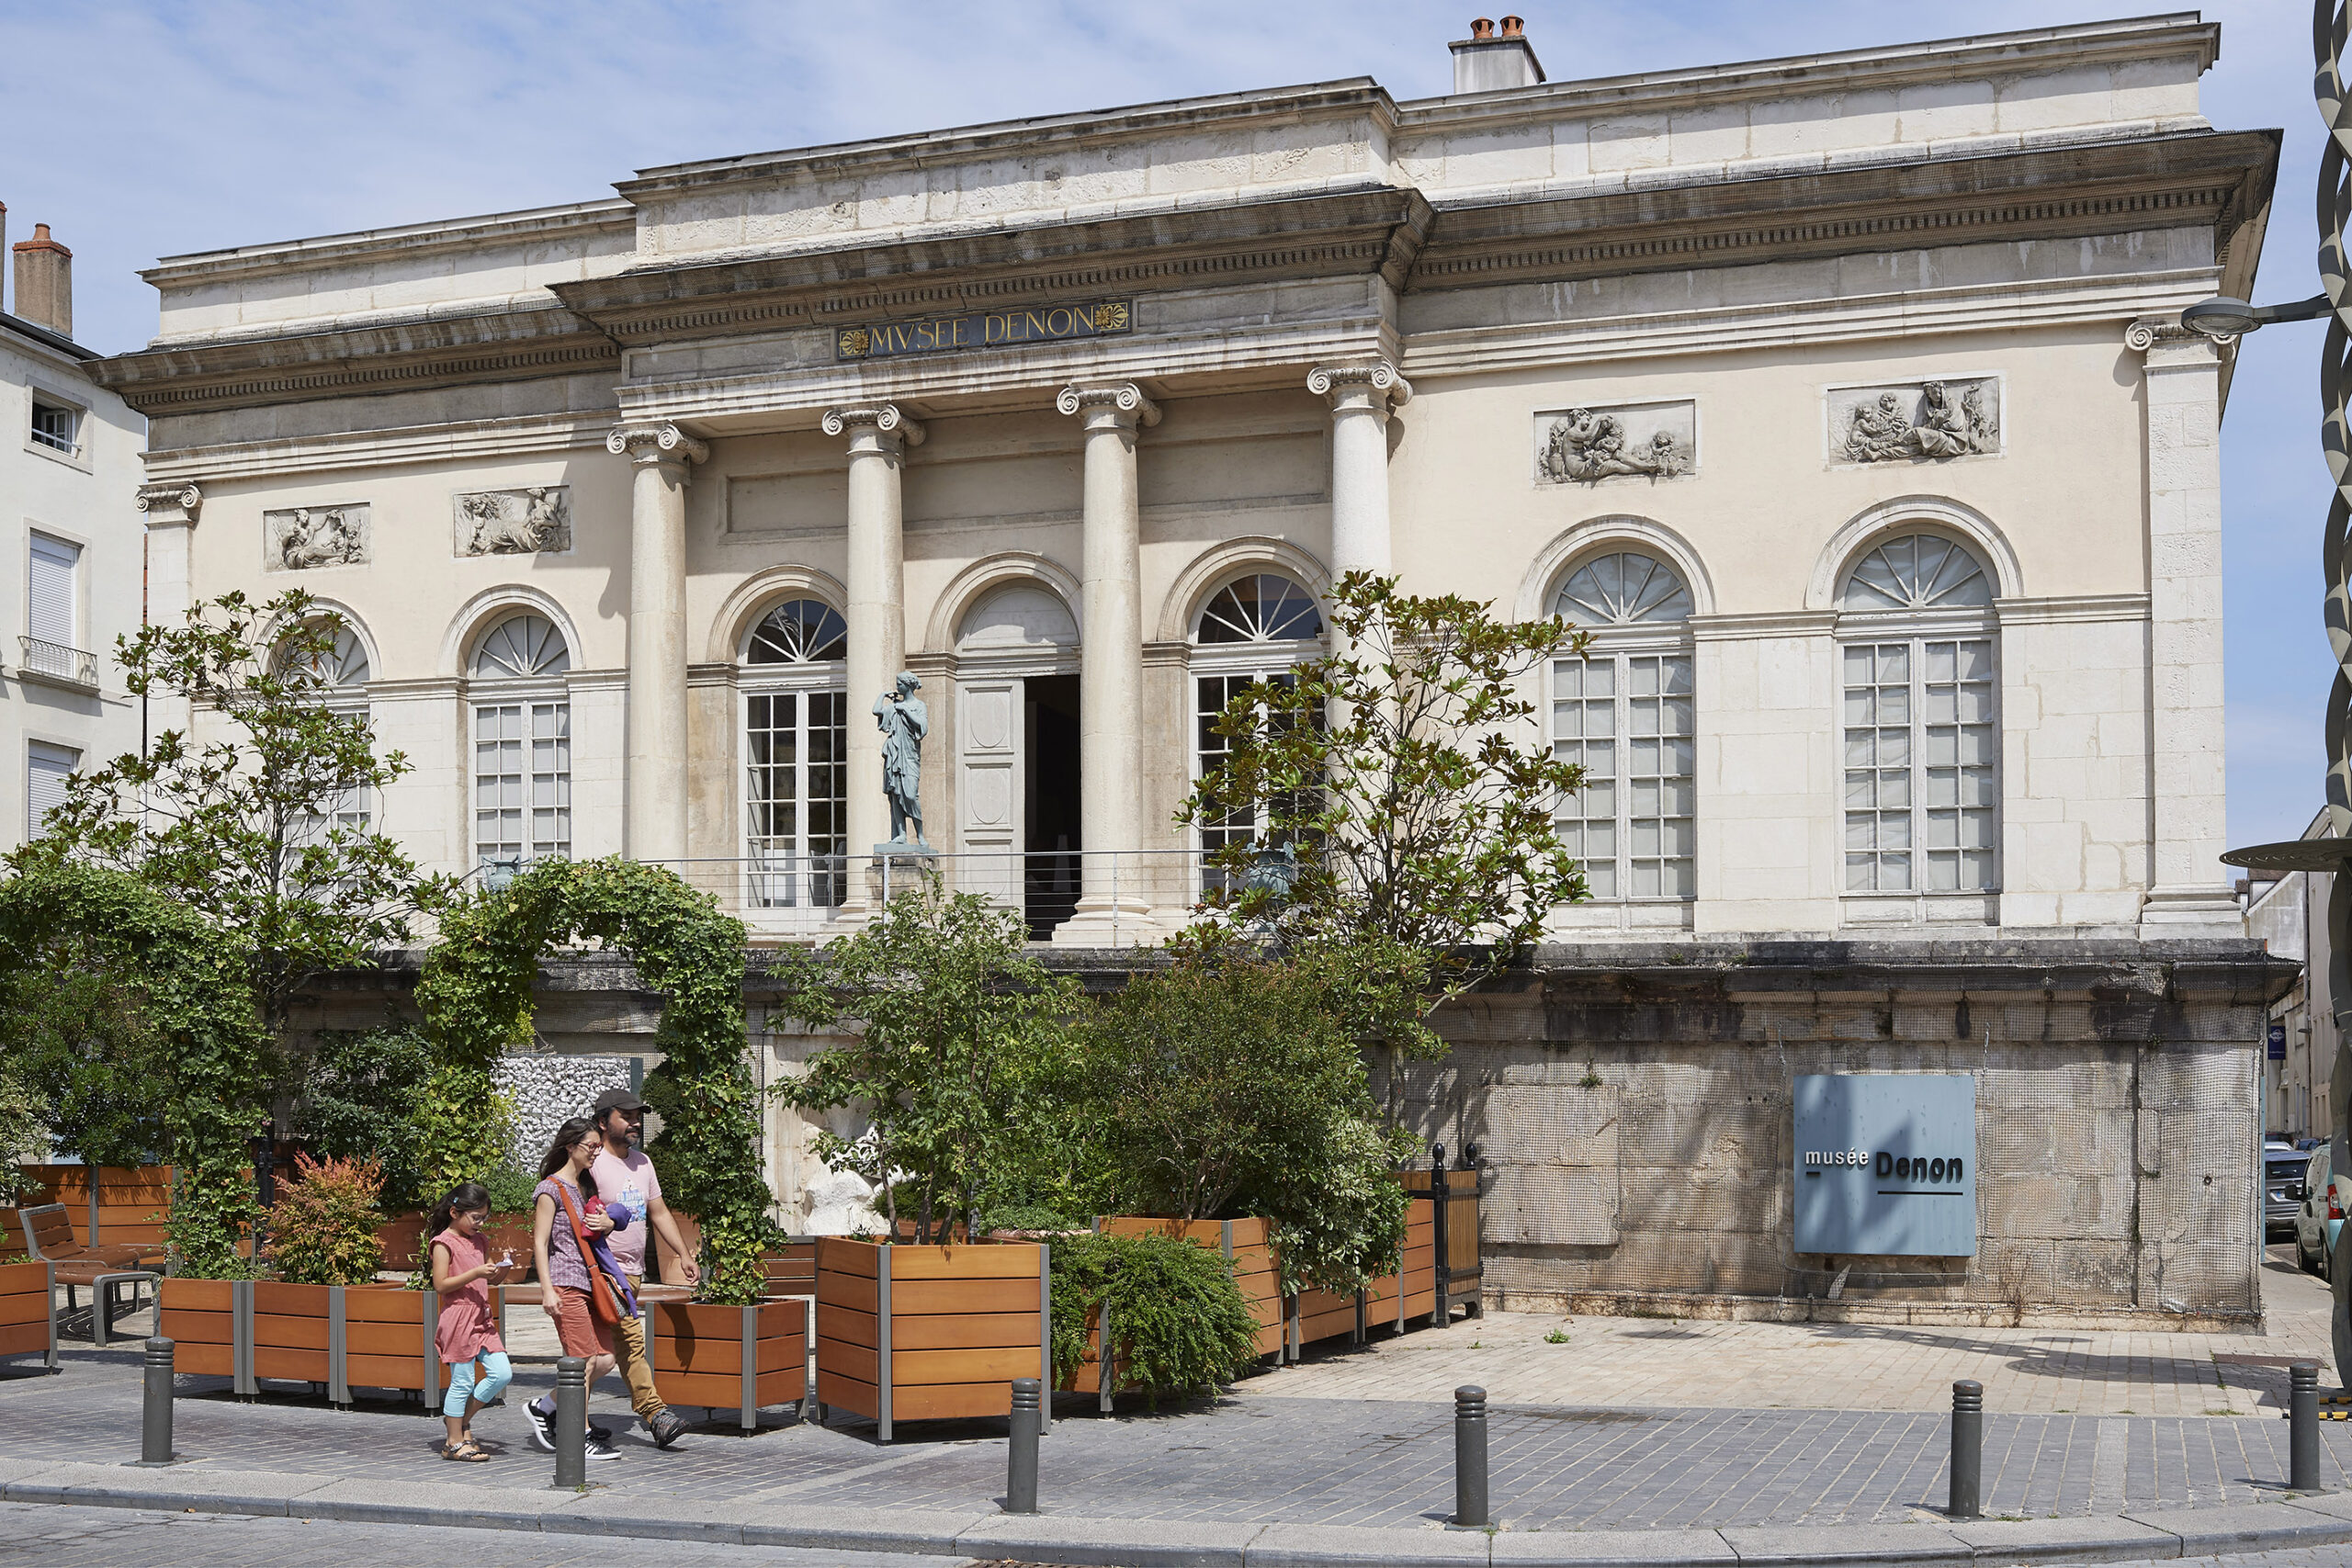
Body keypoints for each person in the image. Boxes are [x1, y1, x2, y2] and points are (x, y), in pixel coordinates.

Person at [586, 1086, 693, 1449]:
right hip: (602, 1272)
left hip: (632, 1273)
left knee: (605, 1350)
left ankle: (565, 1416)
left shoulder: (643, 1163)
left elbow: (658, 1212)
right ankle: (655, 1414)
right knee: (627, 1344)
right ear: (603, 1121)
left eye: (637, 1117)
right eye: (626, 1116)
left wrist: (683, 1254)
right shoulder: (592, 1164)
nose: (635, 1123)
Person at [525, 1116, 629, 1461]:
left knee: (605, 1359)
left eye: (598, 1147)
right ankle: (578, 1432)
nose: (596, 1153)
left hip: (590, 1281)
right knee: (583, 1361)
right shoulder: (550, 1189)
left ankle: (546, 1406)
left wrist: (606, 1223)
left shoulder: (585, 1188)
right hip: (565, 1282)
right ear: (570, 1146)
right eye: (591, 1147)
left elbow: (600, 1229)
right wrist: (547, 1290)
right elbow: (540, 1244)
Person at [427, 1181, 515, 1461]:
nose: (480, 1223)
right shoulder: (443, 1243)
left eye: (483, 1217)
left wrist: (501, 1269)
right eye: (475, 1217)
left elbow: (489, 1278)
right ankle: (453, 1442)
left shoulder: (480, 1240)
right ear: (455, 1212)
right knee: (462, 1382)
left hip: (481, 1316)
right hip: (457, 1318)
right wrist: (476, 1271)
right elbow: (441, 1285)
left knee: (501, 1373)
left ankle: (461, 1421)